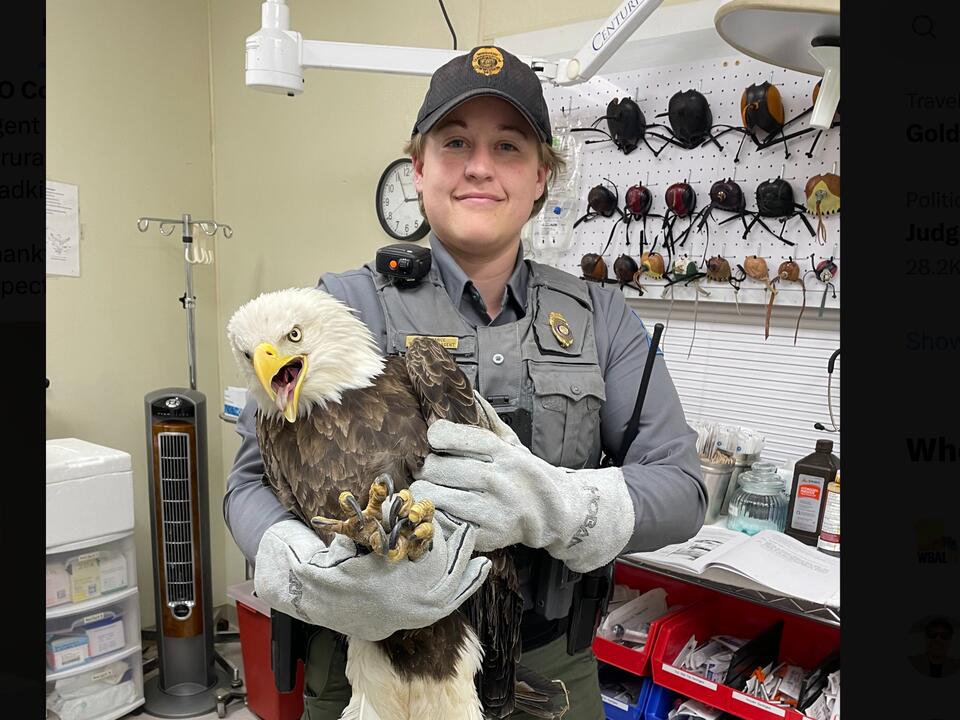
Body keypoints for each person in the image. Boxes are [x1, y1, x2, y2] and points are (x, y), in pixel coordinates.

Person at [224, 45, 706, 720]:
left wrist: (561, 506)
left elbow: (683, 489)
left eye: (508, 146)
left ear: (542, 175)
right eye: (455, 143)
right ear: (418, 168)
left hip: (548, 665)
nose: (480, 166)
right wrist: (303, 570)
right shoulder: (339, 311)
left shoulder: (601, 318)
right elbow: (250, 481)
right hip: (372, 667)